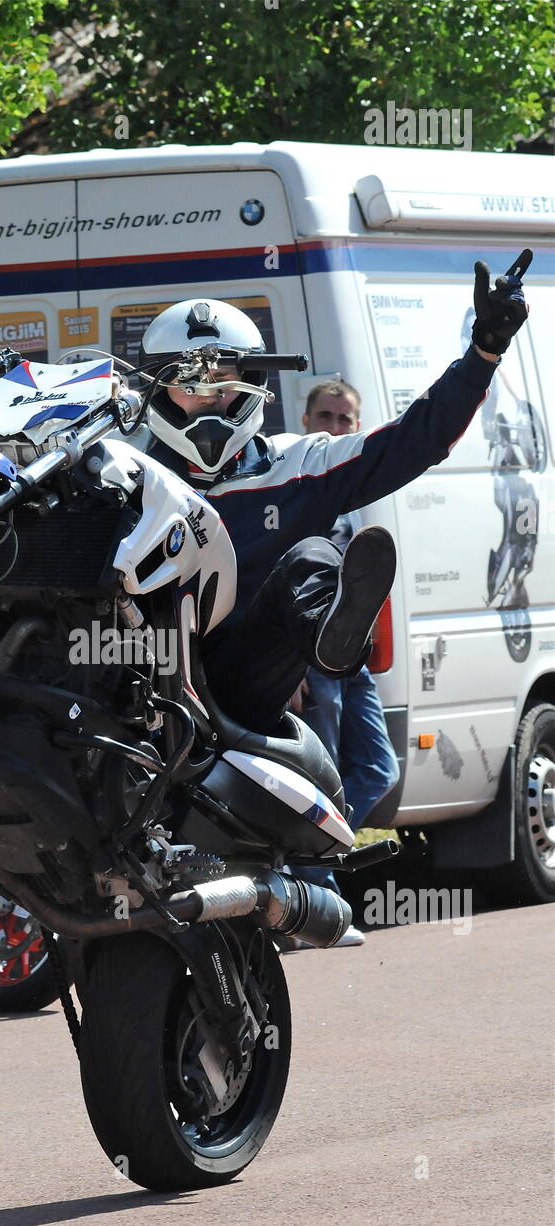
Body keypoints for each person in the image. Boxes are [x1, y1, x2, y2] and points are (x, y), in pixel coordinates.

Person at [132, 263, 527, 933]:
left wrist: (481, 354)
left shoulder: (299, 462)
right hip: (141, 679)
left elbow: (414, 441)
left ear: (250, 388)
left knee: (314, 556)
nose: (207, 399)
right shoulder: (123, 474)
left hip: (244, 681)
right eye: (188, 383)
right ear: (161, 390)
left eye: (221, 381)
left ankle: (328, 634)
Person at [288, 379, 401, 944]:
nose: (334, 427)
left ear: (358, 427)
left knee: (380, 769)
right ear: (305, 419)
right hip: (308, 656)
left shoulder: (352, 488)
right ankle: (315, 896)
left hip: (346, 656)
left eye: (344, 419)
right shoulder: (298, 486)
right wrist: (287, 671)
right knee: (323, 770)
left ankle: (301, 860)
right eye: (325, 416)